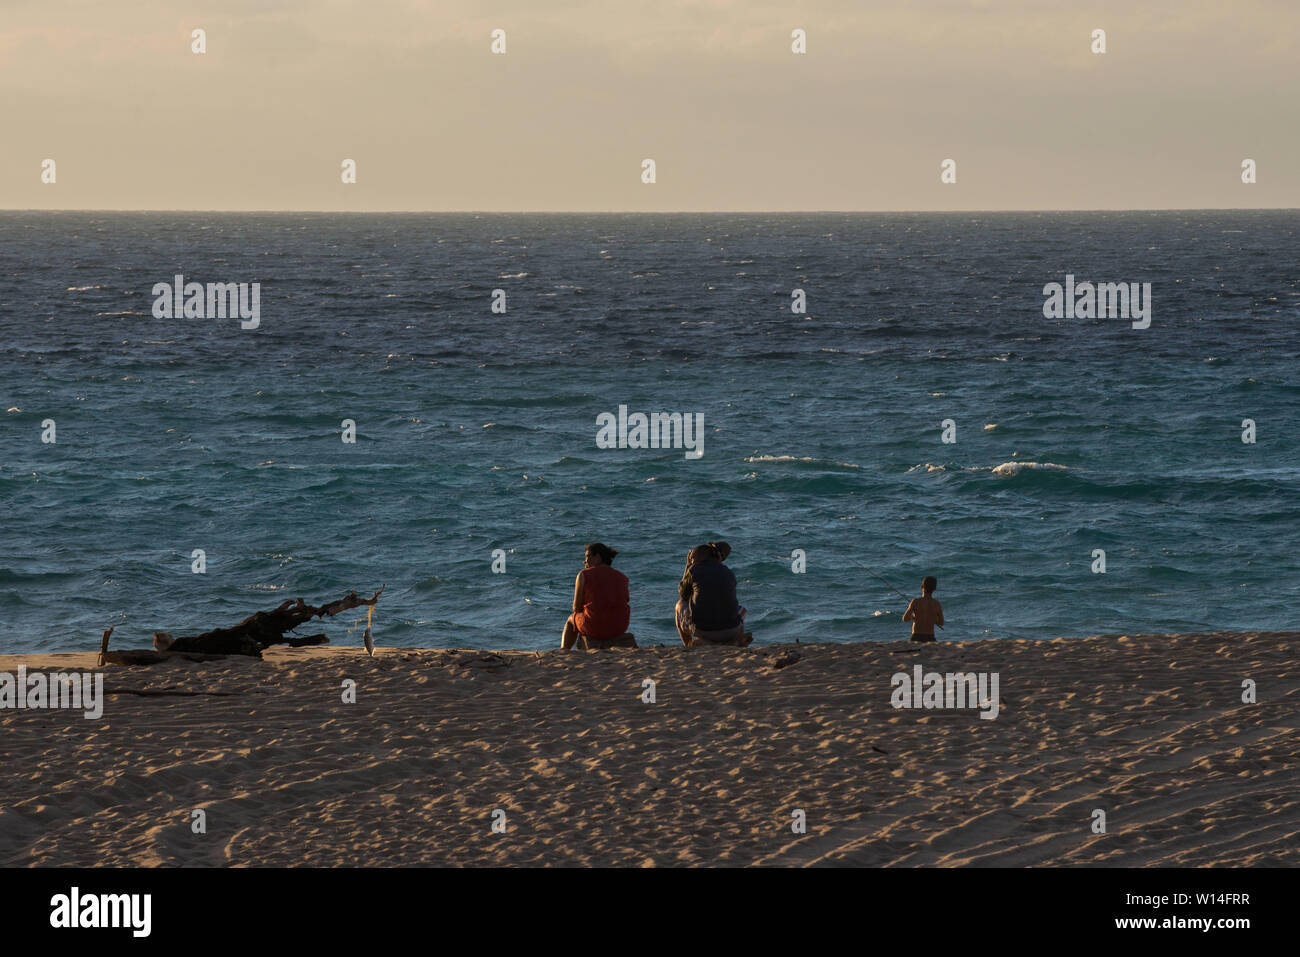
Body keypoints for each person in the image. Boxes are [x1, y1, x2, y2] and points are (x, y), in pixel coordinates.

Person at [675, 541, 750, 647]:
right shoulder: (729, 573)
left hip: (703, 630)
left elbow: (683, 594)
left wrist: (687, 567)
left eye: (691, 558)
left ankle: (689, 646)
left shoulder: (694, 570)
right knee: (742, 610)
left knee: (679, 605)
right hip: (732, 629)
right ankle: (737, 641)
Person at [560, 543, 633, 650]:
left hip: (595, 627)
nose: (585, 561)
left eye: (587, 557)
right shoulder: (623, 577)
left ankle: (564, 651)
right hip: (620, 627)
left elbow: (576, 608)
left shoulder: (584, 574)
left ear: (597, 557)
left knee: (571, 620)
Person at [902, 576, 944, 643]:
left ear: (922, 586)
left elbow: (905, 619)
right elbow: (941, 623)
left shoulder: (915, 602)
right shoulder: (937, 604)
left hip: (916, 636)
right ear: (934, 589)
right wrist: (934, 619)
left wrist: (913, 617)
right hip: (930, 637)